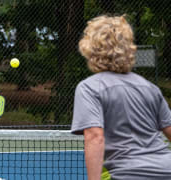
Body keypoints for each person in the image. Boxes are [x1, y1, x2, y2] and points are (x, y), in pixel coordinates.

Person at [71, 15, 171, 180]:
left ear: (90, 49)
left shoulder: (89, 88)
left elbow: (95, 136)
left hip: (129, 174)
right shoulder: (149, 88)